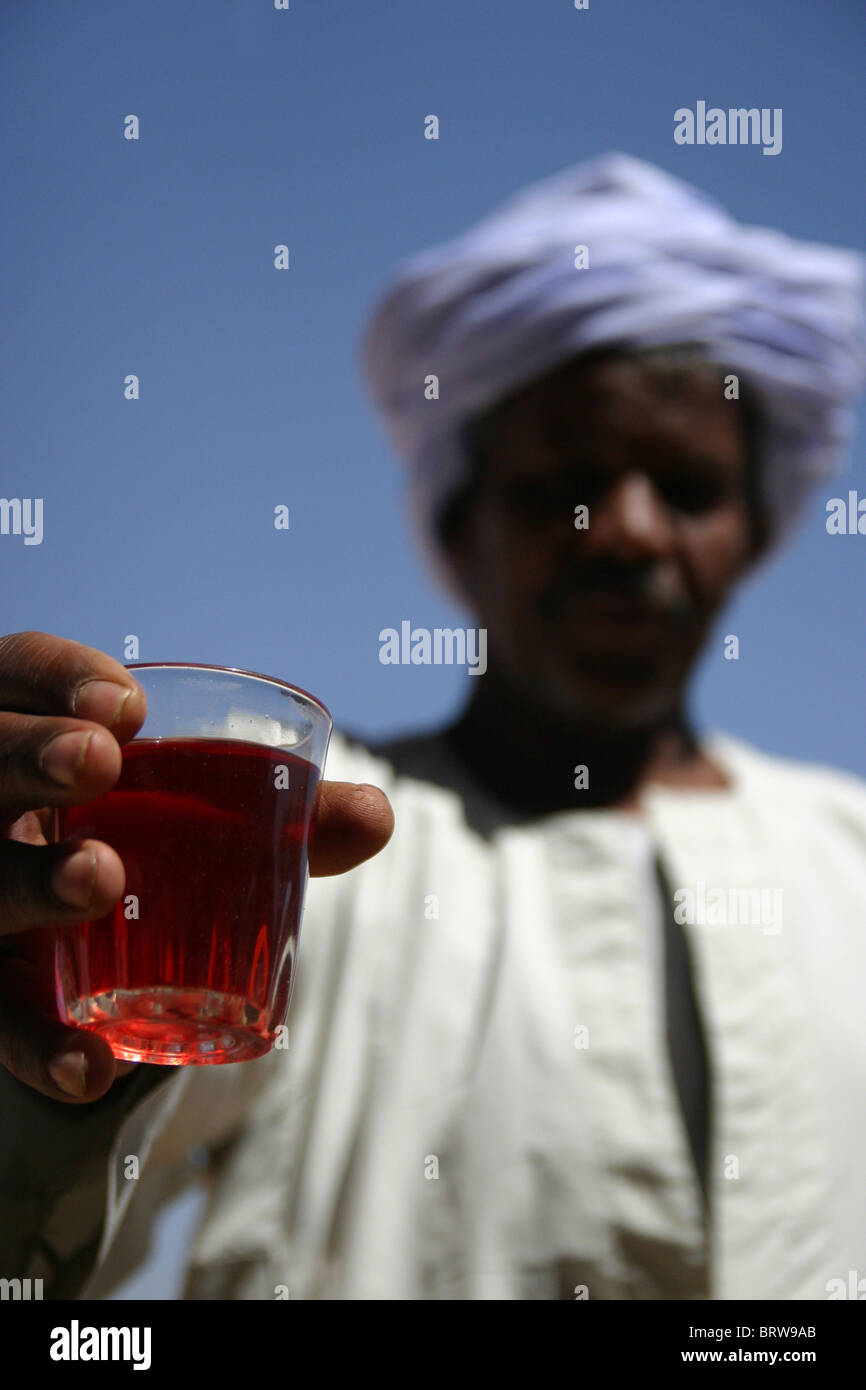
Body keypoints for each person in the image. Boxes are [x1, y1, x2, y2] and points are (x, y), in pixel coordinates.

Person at [1, 152, 865, 1301]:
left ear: (751, 532)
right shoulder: (294, 840)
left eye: (688, 488)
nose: (627, 533)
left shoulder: (845, 855)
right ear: (457, 530)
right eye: (562, 482)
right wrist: (34, 1068)